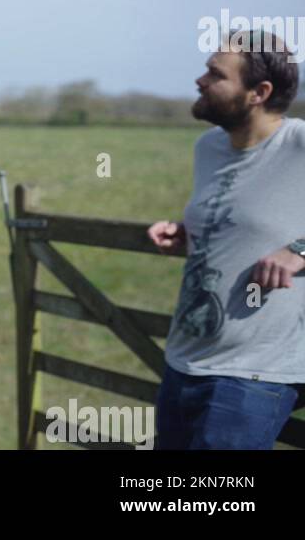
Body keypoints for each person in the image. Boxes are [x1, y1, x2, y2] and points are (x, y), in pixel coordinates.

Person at [148, 30, 304, 449]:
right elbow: (240, 218)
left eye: (215, 74)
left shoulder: (298, 144)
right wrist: (187, 233)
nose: (200, 81)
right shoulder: (208, 148)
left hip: (252, 377)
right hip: (183, 362)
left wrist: (298, 251)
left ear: (259, 92)